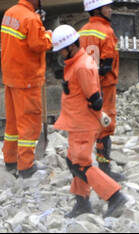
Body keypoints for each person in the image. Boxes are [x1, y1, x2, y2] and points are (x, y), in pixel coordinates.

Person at [51, 25, 127, 219]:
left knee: (81, 164)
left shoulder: (83, 66)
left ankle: (114, 196)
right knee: (73, 161)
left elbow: (95, 98)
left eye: (61, 49)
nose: (60, 53)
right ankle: (82, 203)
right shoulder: (77, 63)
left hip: (83, 123)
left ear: (71, 46)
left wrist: (99, 113)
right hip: (76, 122)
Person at [0, 0, 53, 178]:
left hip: (11, 77)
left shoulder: (10, 13)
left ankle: (10, 160)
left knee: (13, 123)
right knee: (30, 123)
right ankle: (26, 166)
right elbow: (39, 44)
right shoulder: (31, 19)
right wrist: (47, 34)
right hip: (27, 79)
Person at [78, 0, 121, 177]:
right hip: (104, 86)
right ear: (97, 10)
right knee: (105, 125)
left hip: (87, 87)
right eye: (106, 7)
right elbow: (107, 63)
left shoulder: (82, 32)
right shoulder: (106, 32)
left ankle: (83, 165)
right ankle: (104, 168)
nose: (110, 10)